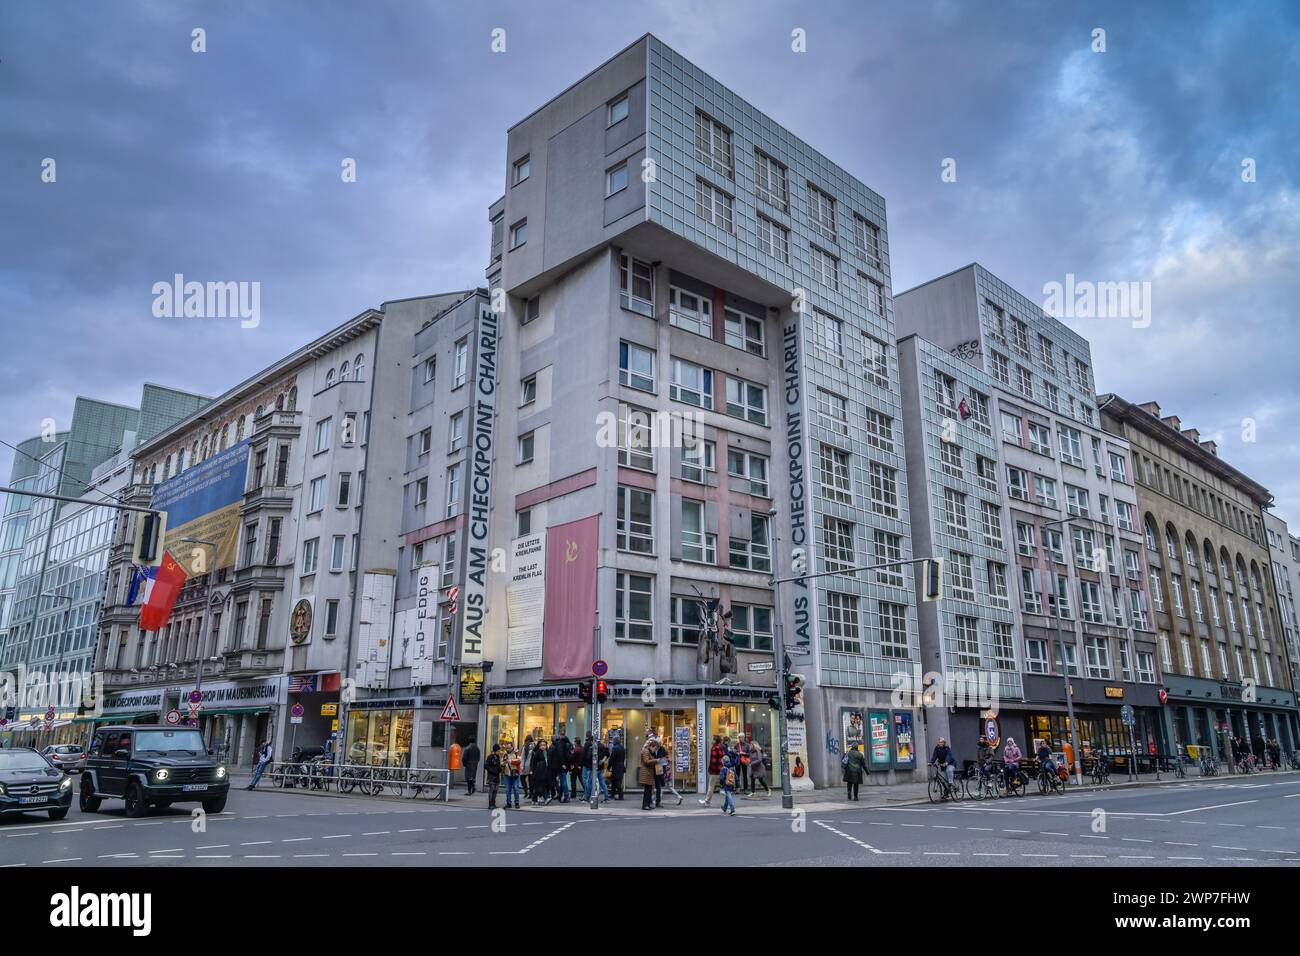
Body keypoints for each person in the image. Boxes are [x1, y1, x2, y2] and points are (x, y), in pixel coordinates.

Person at [582, 733, 610, 802]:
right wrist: (603, 760)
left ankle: (587, 798)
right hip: (601, 768)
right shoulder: (603, 746)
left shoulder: (592, 747)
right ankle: (606, 798)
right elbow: (608, 754)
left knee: (589, 783)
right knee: (602, 782)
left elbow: (588, 757)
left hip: (593, 768)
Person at [656, 735, 683, 805]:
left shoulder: (660, 750)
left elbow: (660, 761)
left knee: (661, 786)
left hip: (663, 770)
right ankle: (679, 796)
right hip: (667, 770)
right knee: (670, 786)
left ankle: (658, 801)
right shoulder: (664, 749)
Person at [699, 735, 725, 806]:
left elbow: (713, 761)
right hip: (720, 769)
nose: (712, 740)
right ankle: (708, 801)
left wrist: (710, 769)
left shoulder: (714, 748)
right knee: (723, 787)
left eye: (713, 739)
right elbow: (722, 758)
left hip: (714, 770)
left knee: (711, 786)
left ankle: (707, 801)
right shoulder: (721, 747)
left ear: (715, 741)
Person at [638, 735, 659, 810]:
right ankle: (645, 805)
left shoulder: (648, 751)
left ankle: (648, 804)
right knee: (647, 790)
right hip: (646, 773)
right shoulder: (645, 751)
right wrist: (656, 760)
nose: (655, 750)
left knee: (649, 790)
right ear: (652, 746)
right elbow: (646, 761)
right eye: (655, 748)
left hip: (649, 773)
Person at [529, 738, 551, 805]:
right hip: (538, 772)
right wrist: (532, 771)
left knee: (538, 787)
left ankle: (534, 799)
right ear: (539, 746)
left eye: (544, 745)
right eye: (541, 745)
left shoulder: (547, 752)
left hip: (546, 772)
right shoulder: (537, 753)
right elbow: (533, 763)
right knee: (541, 786)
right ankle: (546, 798)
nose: (543, 746)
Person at [503, 743, 522, 809]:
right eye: (506, 748)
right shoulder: (505, 754)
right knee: (508, 790)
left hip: (515, 773)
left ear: (512, 747)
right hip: (507, 774)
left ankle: (517, 803)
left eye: (509, 748)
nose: (507, 749)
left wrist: (510, 761)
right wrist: (503, 763)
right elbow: (502, 762)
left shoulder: (516, 753)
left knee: (516, 789)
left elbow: (519, 761)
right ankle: (509, 803)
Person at [719, 750, 737, 816]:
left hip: (726, 784)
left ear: (723, 762)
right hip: (732, 784)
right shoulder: (732, 768)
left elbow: (721, 778)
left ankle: (732, 809)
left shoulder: (723, 769)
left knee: (728, 795)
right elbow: (736, 777)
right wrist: (737, 785)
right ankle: (724, 808)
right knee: (727, 796)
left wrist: (721, 784)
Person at [484, 744, 502, 810]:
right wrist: (492, 770)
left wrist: (500, 769)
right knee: (492, 789)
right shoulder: (490, 757)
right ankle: (490, 804)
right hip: (491, 776)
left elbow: (498, 766)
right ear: (495, 750)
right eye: (498, 750)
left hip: (496, 776)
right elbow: (486, 766)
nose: (499, 752)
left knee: (495, 790)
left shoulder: (498, 757)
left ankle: (493, 803)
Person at [608, 735, 626, 800]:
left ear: (615, 741)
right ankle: (613, 794)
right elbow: (623, 758)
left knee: (616, 781)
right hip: (621, 766)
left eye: (613, 740)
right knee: (615, 780)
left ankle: (620, 795)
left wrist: (608, 766)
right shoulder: (622, 747)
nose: (612, 741)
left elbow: (612, 758)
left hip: (616, 767)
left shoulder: (615, 748)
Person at [521, 735, 534, 800]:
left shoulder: (525, 746)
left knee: (522, 778)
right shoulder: (534, 746)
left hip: (526, 765)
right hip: (532, 766)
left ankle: (526, 791)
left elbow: (523, 757)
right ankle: (531, 794)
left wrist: (522, 766)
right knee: (531, 780)